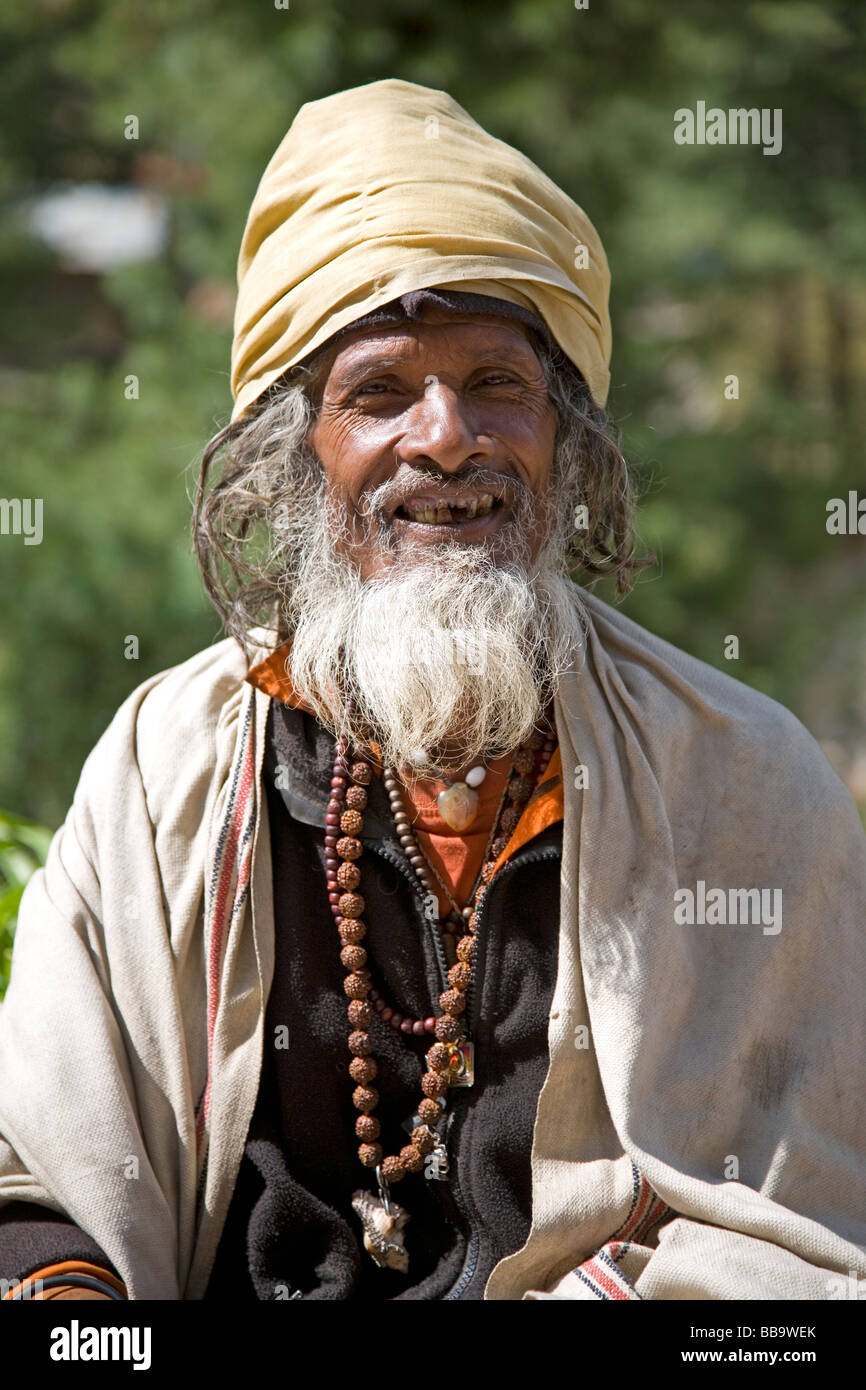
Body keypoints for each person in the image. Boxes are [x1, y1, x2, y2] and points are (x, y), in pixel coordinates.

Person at [1, 78, 864, 1303]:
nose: (446, 434)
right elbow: (34, 1177)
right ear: (296, 456)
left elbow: (802, 1232)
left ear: (564, 438)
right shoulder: (164, 771)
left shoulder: (738, 777)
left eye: (496, 383)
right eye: (379, 391)